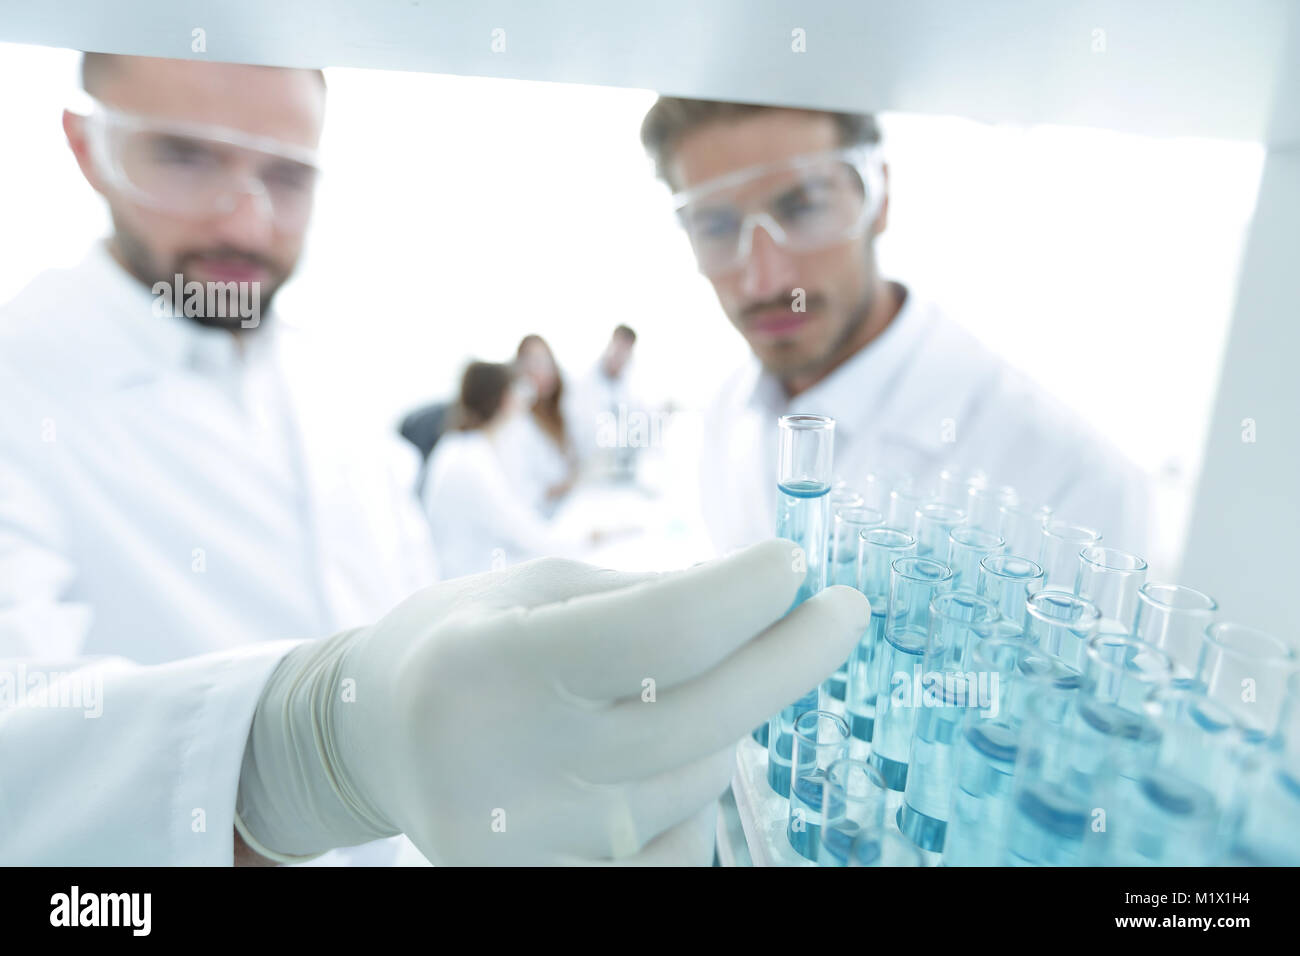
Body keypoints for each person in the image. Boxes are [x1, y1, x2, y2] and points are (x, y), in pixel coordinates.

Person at [0, 54, 871, 866]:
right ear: (86, 146)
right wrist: (287, 766)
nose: (246, 216)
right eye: (184, 157)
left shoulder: (328, 377)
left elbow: (418, 603)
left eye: (287, 173)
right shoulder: (22, 381)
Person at [638, 98, 1151, 558]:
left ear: (878, 198)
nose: (765, 279)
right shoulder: (728, 414)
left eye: (804, 207)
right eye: (716, 226)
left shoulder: (1073, 479)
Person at [423, 361, 597, 577]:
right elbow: (523, 533)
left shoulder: (456, 445)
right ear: (506, 399)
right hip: (470, 580)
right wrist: (588, 538)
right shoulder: (472, 461)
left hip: (466, 569)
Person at [497, 334, 579, 516]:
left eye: (547, 361)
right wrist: (560, 488)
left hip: (567, 510)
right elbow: (522, 494)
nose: (545, 370)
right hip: (541, 519)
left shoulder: (559, 412)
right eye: (535, 363)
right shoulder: (517, 423)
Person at [565, 325, 644, 481]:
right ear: (610, 344)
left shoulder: (628, 388)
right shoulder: (583, 385)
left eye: (626, 351)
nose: (620, 356)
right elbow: (580, 431)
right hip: (588, 472)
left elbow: (636, 428)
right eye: (618, 347)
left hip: (617, 473)